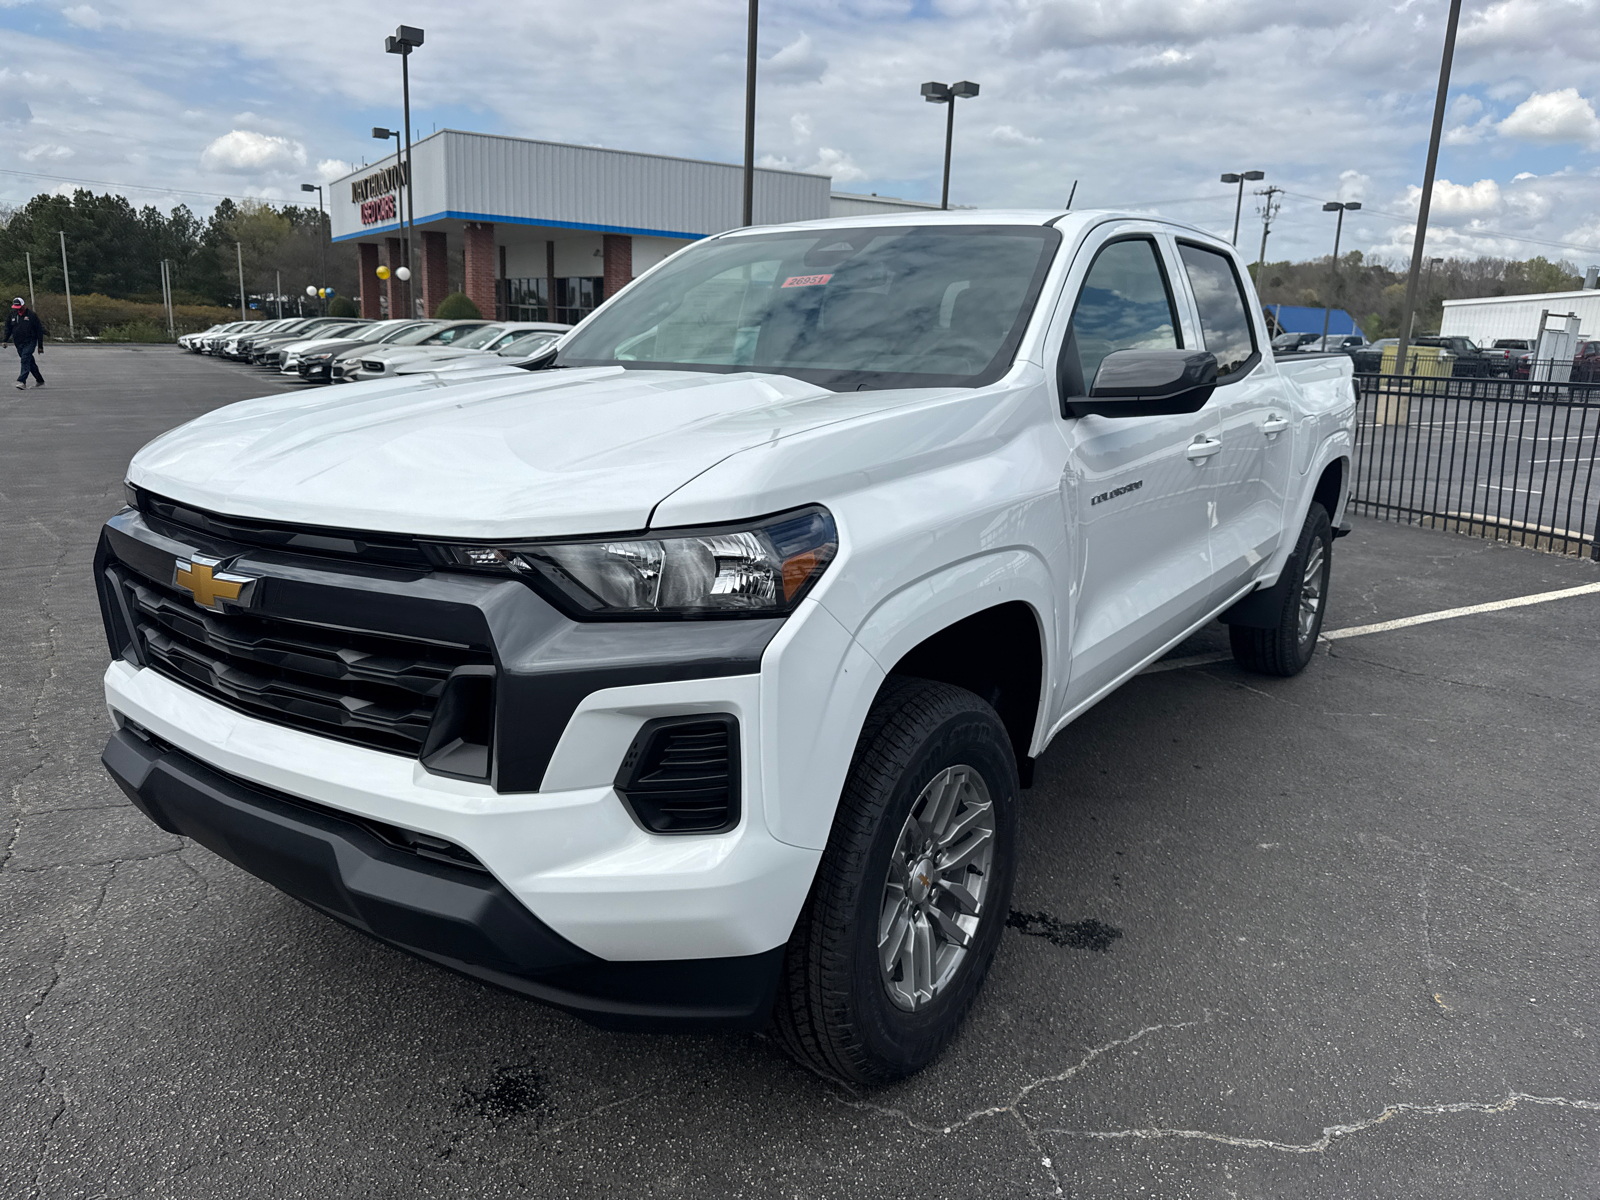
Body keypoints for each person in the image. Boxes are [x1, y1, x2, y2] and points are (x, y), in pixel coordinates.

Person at [3, 297, 47, 389]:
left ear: (23, 305)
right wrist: (5, 340)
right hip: (18, 342)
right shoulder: (12, 315)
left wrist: (40, 346)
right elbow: (8, 329)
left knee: (25, 358)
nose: (17, 308)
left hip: (30, 341)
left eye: (19, 306)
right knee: (29, 362)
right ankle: (40, 380)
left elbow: (39, 331)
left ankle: (22, 381)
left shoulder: (31, 315)